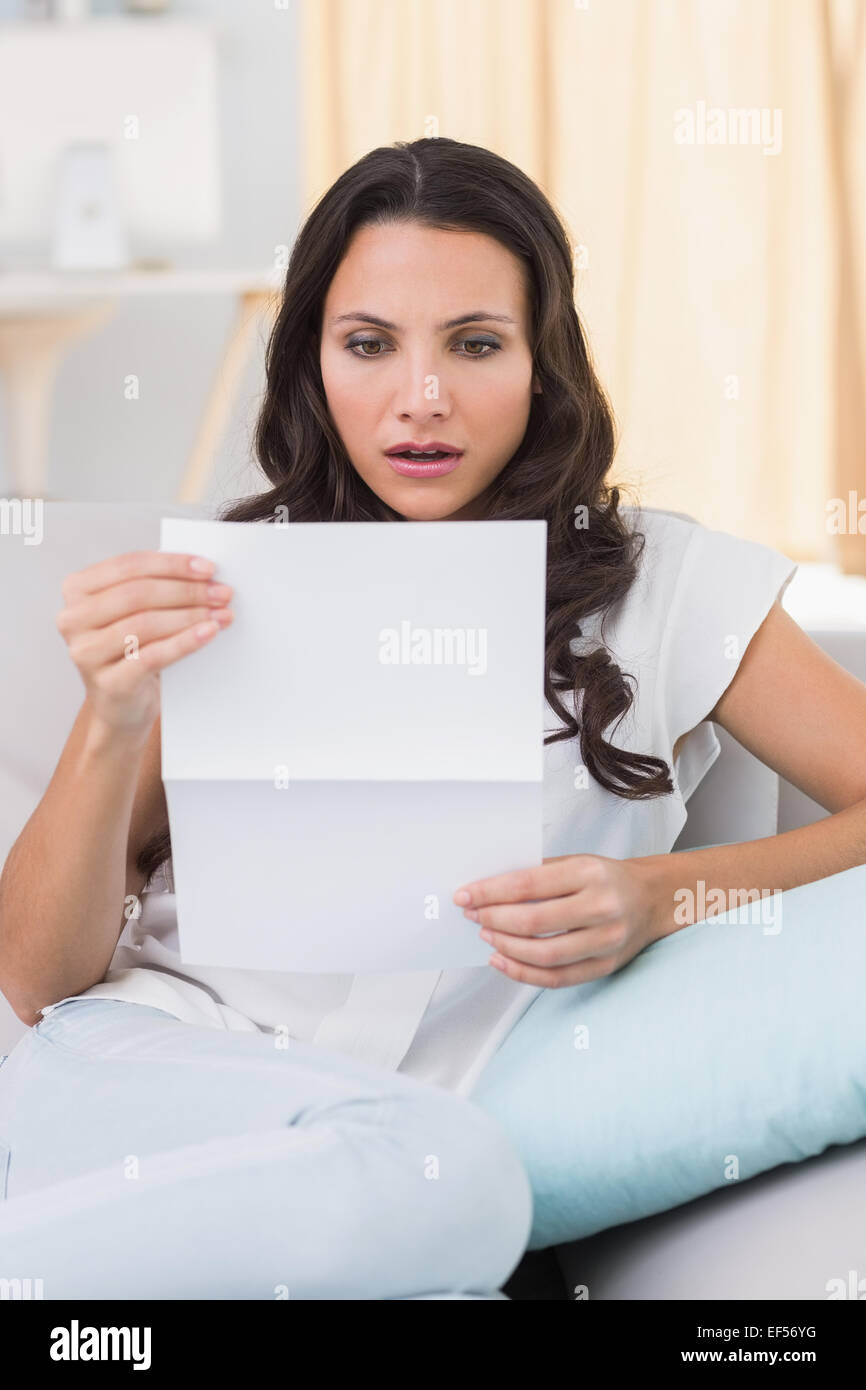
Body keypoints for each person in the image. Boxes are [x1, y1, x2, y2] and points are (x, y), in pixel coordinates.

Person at [1, 136, 864, 1300]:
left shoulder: (668, 585)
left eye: (473, 344)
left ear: (542, 364)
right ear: (313, 361)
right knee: (448, 1187)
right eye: (368, 345)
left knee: (442, 1202)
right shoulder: (231, 581)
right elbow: (39, 981)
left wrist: (662, 898)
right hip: (155, 1071)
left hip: (421, 1145)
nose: (422, 399)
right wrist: (110, 720)